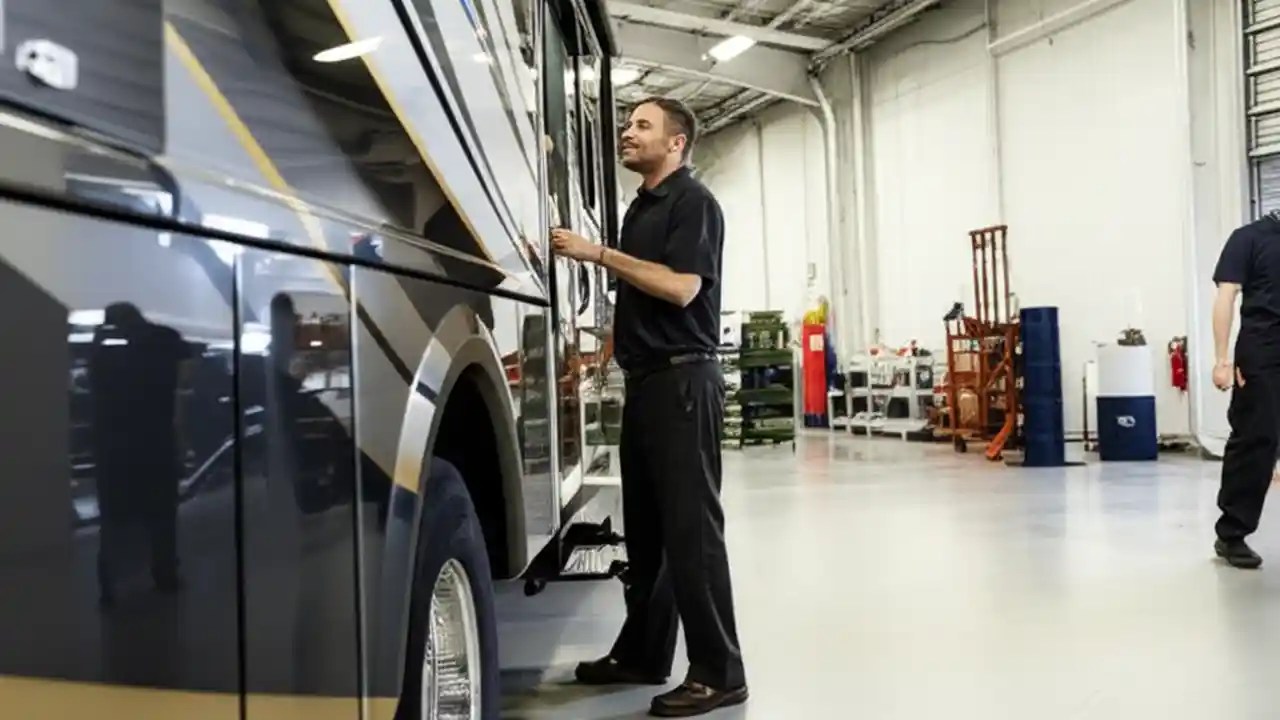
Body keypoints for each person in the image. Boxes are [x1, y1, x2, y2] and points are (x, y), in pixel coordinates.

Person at [550, 96, 748, 717]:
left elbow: (682, 287)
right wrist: (602, 355)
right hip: (646, 383)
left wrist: (598, 253)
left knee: (692, 534)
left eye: (642, 125)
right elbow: (641, 298)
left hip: (684, 385)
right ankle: (643, 652)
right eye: (628, 124)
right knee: (650, 536)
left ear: (677, 143)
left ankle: (720, 672)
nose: (627, 133)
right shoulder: (642, 207)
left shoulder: (694, 204)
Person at [1211, 209, 1280, 569]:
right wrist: (1222, 359)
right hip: (1263, 350)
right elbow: (1226, 296)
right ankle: (1232, 532)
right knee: (1258, 437)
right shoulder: (1248, 238)